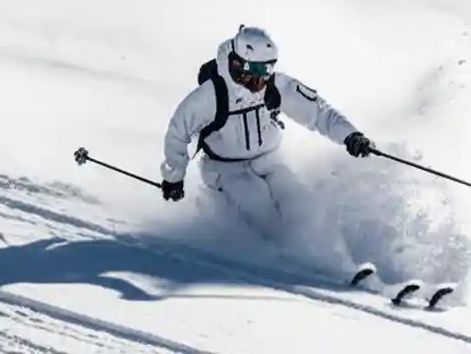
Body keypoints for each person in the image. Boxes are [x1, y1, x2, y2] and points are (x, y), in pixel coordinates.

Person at [159, 25, 374, 241]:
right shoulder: (212, 94)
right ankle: (281, 259)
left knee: (301, 203)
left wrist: (350, 135)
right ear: (236, 64)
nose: (257, 84)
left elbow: (318, 111)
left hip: (270, 161)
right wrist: (173, 177)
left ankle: (331, 260)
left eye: (263, 74)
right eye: (250, 76)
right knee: (258, 206)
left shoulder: (274, 86)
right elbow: (179, 131)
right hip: (226, 169)